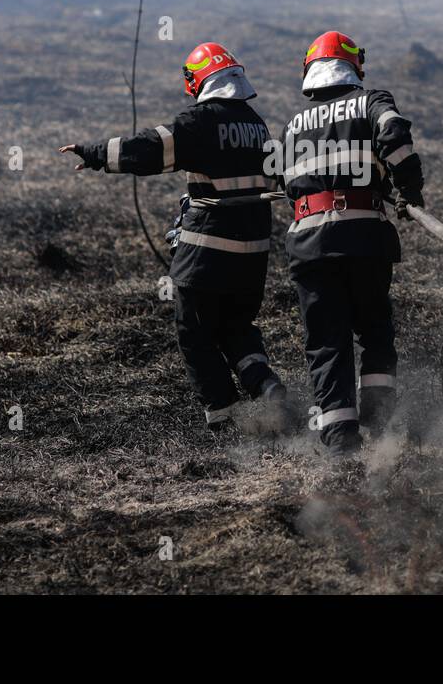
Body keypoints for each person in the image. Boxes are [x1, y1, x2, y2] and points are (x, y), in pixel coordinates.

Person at [60, 43, 289, 433]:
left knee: (194, 330)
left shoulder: (200, 121)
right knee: (236, 326)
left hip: (207, 253)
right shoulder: (256, 123)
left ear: (198, 81)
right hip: (253, 254)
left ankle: (225, 417)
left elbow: (150, 149)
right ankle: (266, 386)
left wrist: (96, 153)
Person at [276, 30, 424, 456]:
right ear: (353, 66)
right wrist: (408, 189)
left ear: (311, 72)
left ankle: (341, 440)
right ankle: (380, 423)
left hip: (309, 244)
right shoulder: (371, 101)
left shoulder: (292, 126)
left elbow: (288, 186)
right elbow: (394, 135)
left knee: (326, 341)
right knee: (374, 329)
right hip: (363, 237)